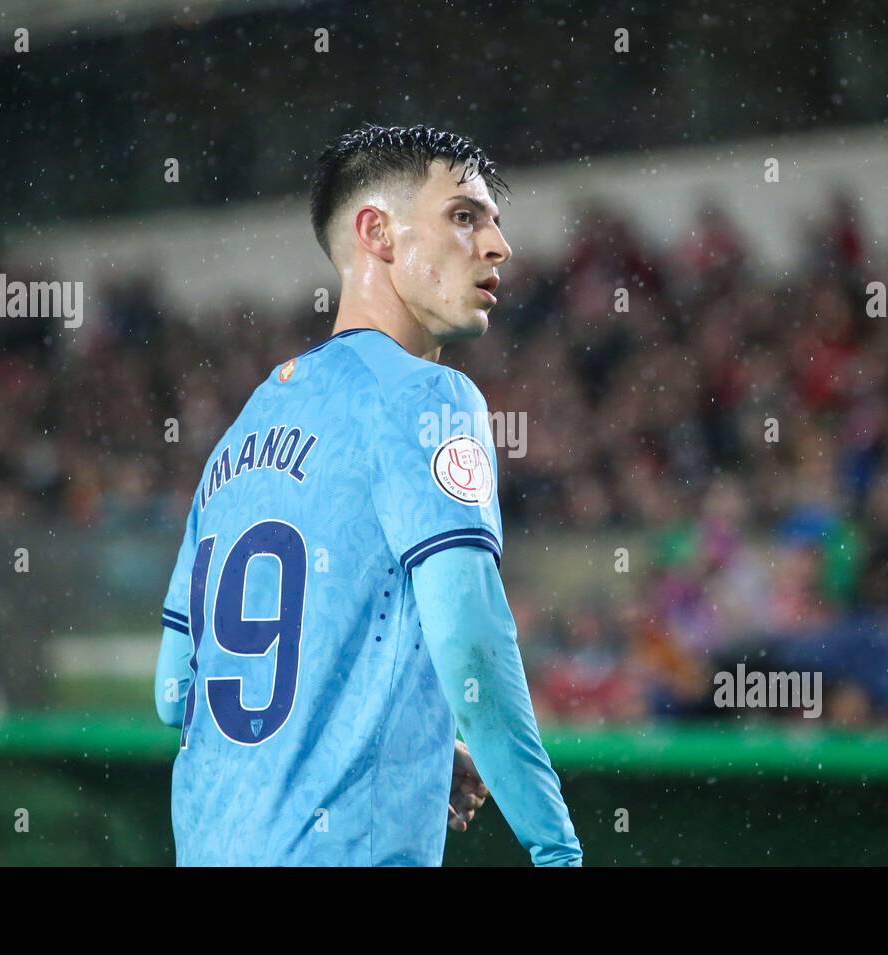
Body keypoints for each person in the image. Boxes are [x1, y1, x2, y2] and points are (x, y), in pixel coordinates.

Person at [154, 123, 582, 866]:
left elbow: (172, 692)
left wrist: (397, 738)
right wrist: (556, 848)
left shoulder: (241, 432)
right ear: (376, 233)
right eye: (464, 216)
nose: (497, 246)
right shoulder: (429, 398)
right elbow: (471, 645)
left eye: (495, 223)